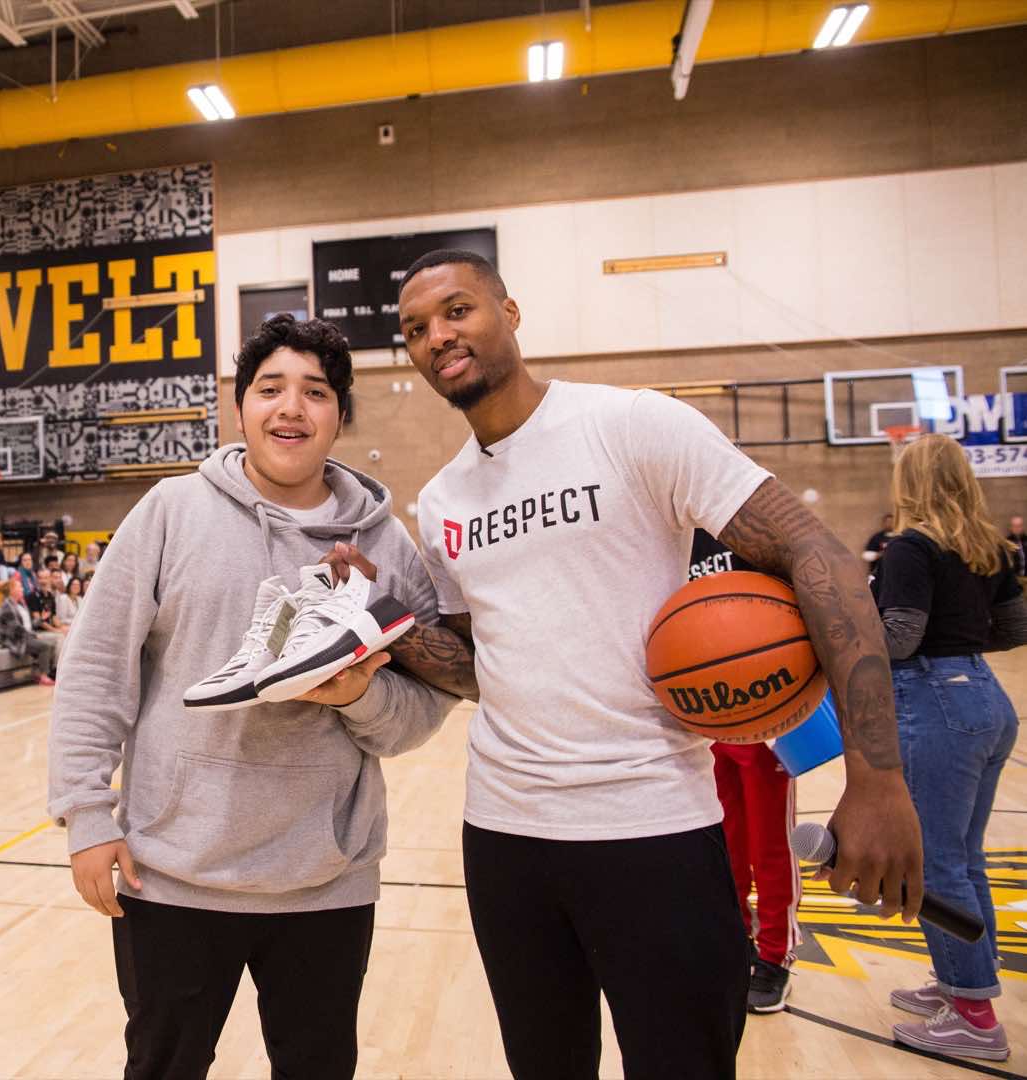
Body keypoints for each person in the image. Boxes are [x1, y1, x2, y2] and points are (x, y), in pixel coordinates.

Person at [380, 248, 921, 1077]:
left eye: (458, 310)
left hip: (654, 826)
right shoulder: (448, 497)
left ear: (510, 312)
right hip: (502, 837)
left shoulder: (631, 425)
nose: (438, 337)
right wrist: (380, 623)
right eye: (416, 330)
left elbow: (818, 551)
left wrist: (877, 777)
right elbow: (478, 668)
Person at [48, 312, 453, 1079]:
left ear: (340, 417)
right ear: (240, 408)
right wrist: (85, 813)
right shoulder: (171, 512)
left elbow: (420, 714)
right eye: (270, 389)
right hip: (170, 874)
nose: (291, 408)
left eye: (315, 392)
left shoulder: (386, 547)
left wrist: (355, 697)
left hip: (326, 881)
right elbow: (97, 667)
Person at [877, 435, 1027, 1060]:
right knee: (963, 857)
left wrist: (849, 636)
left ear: (907, 482)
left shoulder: (910, 547)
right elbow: (1017, 629)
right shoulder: (992, 547)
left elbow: (901, 639)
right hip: (988, 699)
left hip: (937, 699)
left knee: (937, 862)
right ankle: (963, 981)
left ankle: (974, 1016)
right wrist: (960, 649)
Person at [689, 530, 802, 1014]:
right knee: (725, 840)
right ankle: (739, 940)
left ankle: (776, 954)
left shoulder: (751, 526)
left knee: (771, 845)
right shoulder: (679, 536)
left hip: (766, 711)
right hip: (709, 713)